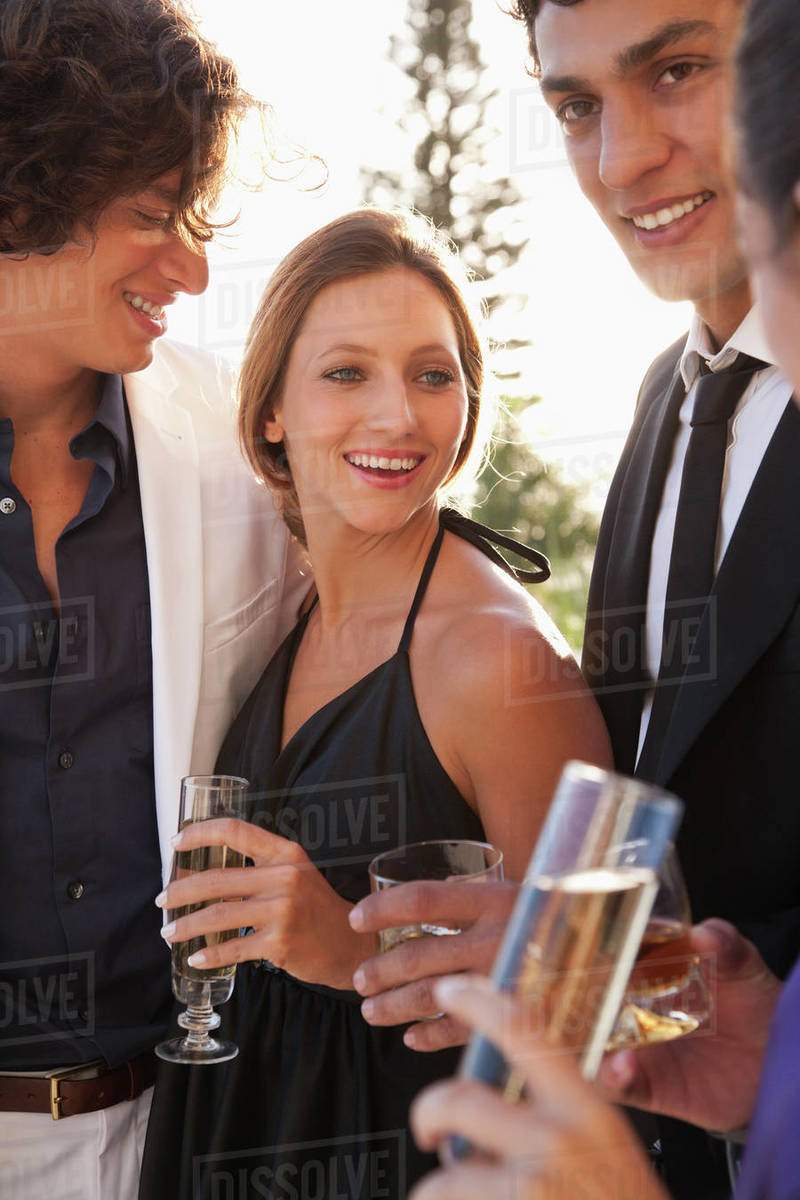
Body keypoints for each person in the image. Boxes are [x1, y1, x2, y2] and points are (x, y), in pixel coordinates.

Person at [351, 1, 800, 1193]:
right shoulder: (663, 400)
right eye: (576, 106)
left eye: (678, 70)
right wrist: (584, 956)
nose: (620, 160)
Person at [138, 207, 612, 1199]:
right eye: (347, 373)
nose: (397, 416)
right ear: (272, 407)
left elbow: (587, 1012)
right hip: (239, 1129)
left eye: (432, 375)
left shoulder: (496, 660)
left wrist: (346, 947)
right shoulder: (286, 601)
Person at [0, 3, 304, 1198]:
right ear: (21, 194)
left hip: (182, 1132)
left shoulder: (236, 451)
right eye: (150, 216)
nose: (193, 268)